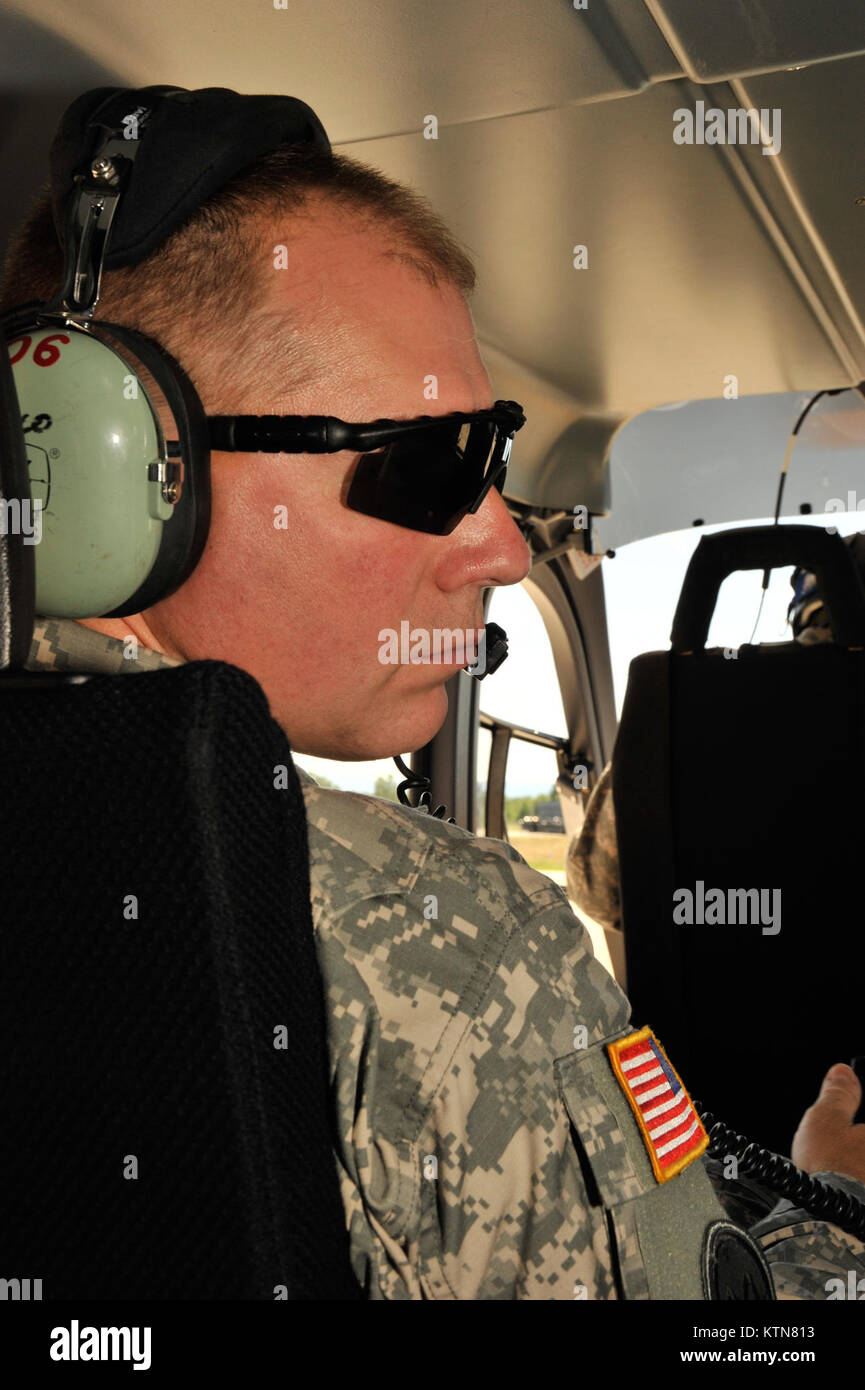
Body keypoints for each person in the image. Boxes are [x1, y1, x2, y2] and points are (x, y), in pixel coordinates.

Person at [3, 86, 865, 1300]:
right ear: (106, 479)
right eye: (425, 464)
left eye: (492, 453)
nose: (505, 549)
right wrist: (836, 1201)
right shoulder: (462, 943)